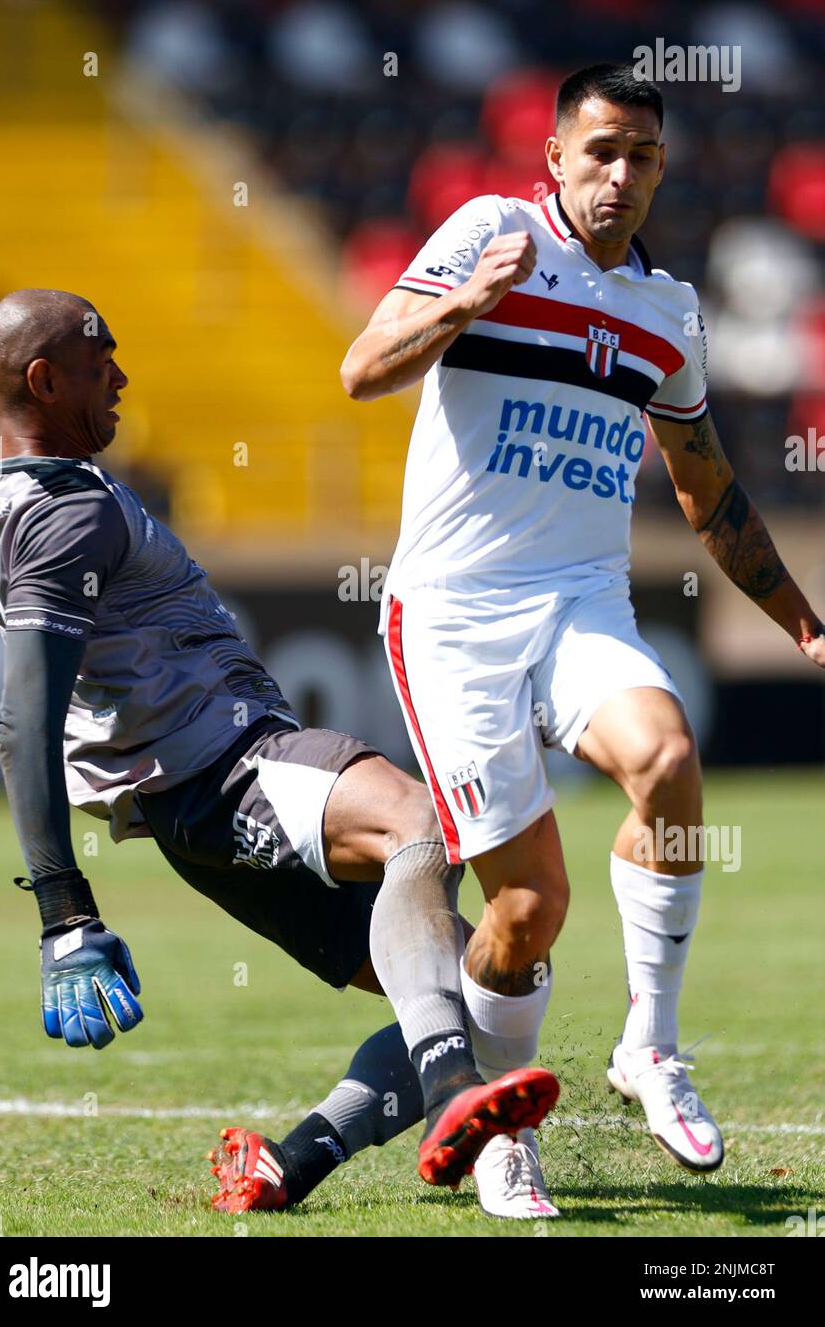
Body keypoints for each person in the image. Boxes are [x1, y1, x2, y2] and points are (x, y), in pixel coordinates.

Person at [0, 288, 559, 1212]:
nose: (120, 376)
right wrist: (64, 910)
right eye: (97, 361)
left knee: (483, 975)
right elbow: (21, 724)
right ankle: (451, 1097)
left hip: (189, 817)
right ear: (41, 381)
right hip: (230, 765)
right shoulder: (62, 521)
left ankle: (296, 1161)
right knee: (423, 825)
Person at [340, 63, 825, 1179]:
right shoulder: (487, 231)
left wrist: (802, 621)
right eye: (598, 151)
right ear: (553, 156)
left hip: (579, 600)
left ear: (660, 169)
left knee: (665, 756)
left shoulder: (668, 313)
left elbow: (704, 485)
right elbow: (361, 369)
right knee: (526, 904)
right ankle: (502, 1131)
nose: (618, 175)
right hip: (455, 615)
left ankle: (648, 1048)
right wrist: (467, 302)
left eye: (640, 156)